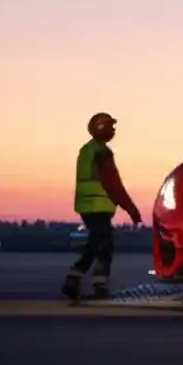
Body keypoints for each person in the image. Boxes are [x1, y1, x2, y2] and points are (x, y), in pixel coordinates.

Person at [62, 112, 141, 301]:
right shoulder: (101, 152)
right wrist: (131, 209)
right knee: (104, 246)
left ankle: (76, 280)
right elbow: (113, 183)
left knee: (96, 243)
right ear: (100, 128)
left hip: (86, 205)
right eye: (110, 127)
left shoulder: (87, 150)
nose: (113, 130)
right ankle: (93, 285)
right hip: (98, 205)